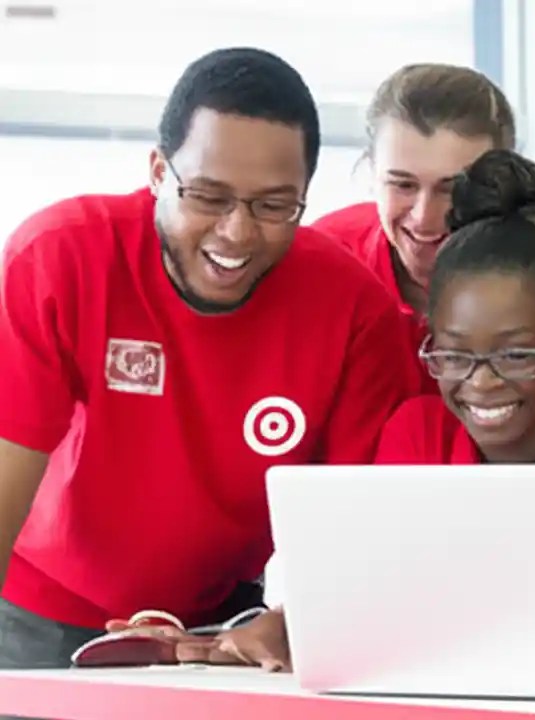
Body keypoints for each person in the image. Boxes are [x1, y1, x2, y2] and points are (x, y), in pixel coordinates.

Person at [172, 149, 535, 674]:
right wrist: (296, 626)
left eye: (517, 356)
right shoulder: (417, 435)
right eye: (454, 356)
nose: (481, 382)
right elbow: (380, 615)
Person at [0, 47, 418, 668]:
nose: (236, 233)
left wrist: (291, 622)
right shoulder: (60, 257)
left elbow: (354, 525)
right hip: (37, 610)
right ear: (157, 172)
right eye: (207, 196)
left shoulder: (354, 310)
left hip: (222, 628)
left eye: (273, 205)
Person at [309, 64, 516, 371]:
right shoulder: (322, 264)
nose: (423, 218)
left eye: (452, 189)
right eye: (403, 185)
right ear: (371, 171)